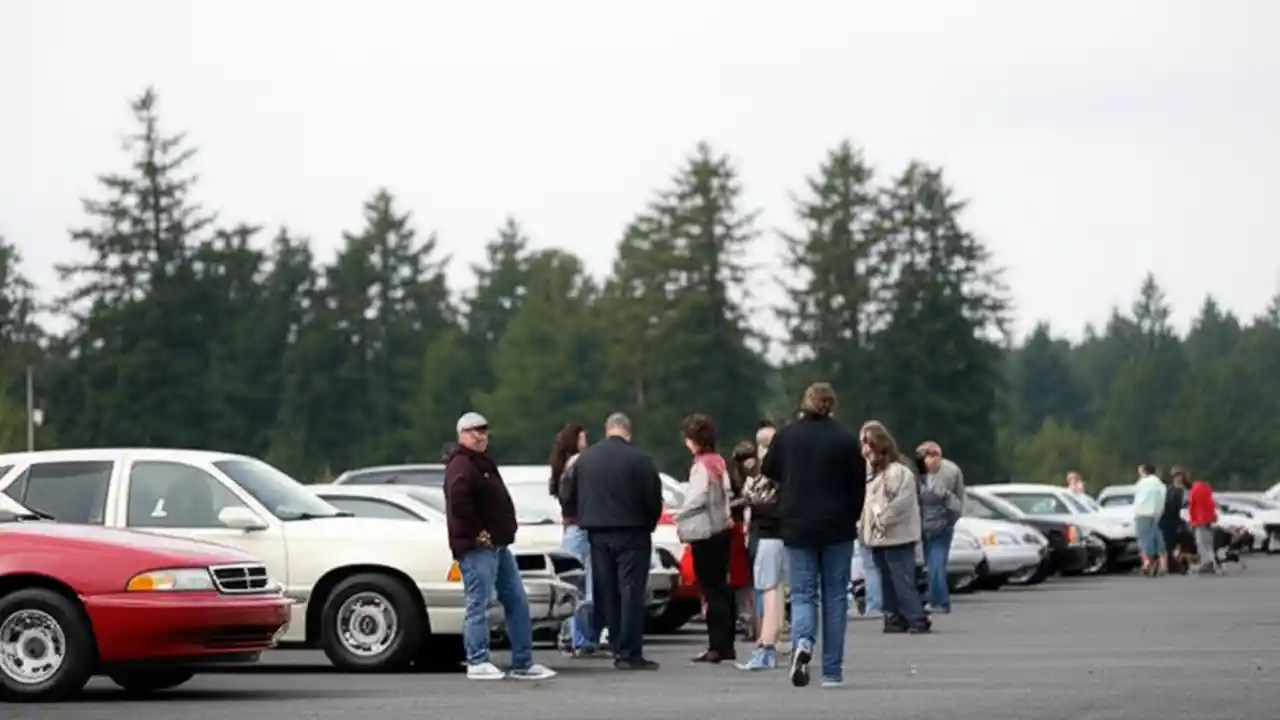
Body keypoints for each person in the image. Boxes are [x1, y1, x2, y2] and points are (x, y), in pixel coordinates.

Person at [760, 382, 865, 689]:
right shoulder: (846, 440)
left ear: (804, 403)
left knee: (804, 593)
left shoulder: (787, 437)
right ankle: (832, 671)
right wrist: (852, 517)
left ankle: (803, 642)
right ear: (832, 405)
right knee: (834, 597)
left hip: (796, 524)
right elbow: (858, 486)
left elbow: (770, 472)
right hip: (837, 527)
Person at [444, 411, 557, 680]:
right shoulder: (461, 465)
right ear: (461, 434)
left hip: (499, 546)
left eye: (483, 431)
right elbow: (458, 502)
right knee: (478, 603)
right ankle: (477, 660)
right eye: (473, 431)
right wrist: (477, 533)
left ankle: (523, 662)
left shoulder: (483, 464)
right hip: (476, 548)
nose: (480, 436)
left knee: (517, 600)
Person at [574, 412, 664, 671]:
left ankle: (615, 643)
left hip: (597, 532)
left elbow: (569, 490)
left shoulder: (586, 459)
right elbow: (652, 497)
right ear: (628, 431)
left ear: (607, 430)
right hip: (632, 531)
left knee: (608, 591)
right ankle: (630, 651)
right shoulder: (640, 459)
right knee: (631, 591)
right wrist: (649, 523)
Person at [673, 414, 736, 663]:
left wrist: (681, 514)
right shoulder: (719, 461)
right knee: (722, 587)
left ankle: (716, 645)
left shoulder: (701, 466)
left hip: (705, 532)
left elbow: (697, 497)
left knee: (710, 590)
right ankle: (726, 643)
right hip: (722, 530)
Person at [862, 421, 930, 635]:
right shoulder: (872, 474)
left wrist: (882, 519)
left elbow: (900, 502)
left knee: (902, 580)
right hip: (878, 537)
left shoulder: (898, 472)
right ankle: (893, 617)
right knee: (886, 581)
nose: (864, 449)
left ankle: (916, 617)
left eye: (867, 443)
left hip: (897, 536)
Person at [549, 423, 602, 657]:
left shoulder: (563, 466)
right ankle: (580, 638)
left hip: (571, 528)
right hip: (582, 527)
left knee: (571, 584)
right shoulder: (580, 464)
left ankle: (568, 636)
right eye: (582, 438)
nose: (586, 442)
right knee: (583, 587)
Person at [738, 436, 787, 671]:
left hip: (768, 535)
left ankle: (766, 645)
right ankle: (777, 639)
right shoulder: (793, 475)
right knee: (779, 590)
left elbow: (751, 496)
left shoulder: (767, 479)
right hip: (787, 536)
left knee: (768, 590)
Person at [916, 441, 964, 614]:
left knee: (934, 563)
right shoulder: (952, 469)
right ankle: (935, 598)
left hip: (935, 524)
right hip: (939, 524)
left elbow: (954, 500)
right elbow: (958, 499)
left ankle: (939, 600)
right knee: (936, 564)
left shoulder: (942, 475)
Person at [1133, 463, 1168, 577]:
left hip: (1142, 512)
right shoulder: (1159, 484)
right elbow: (1162, 499)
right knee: (1156, 537)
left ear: (1144, 472)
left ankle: (1147, 562)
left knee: (1143, 538)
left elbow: (1137, 498)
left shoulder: (1142, 483)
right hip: (1155, 513)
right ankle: (1163, 562)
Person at [1160, 467, 1190, 574]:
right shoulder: (1168, 490)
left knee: (1185, 541)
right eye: (1176, 476)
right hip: (1170, 519)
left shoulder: (1186, 490)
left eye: (1180, 476)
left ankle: (1180, 563)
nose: (1178, 478)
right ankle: (1171, 564)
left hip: (1184, 519)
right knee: (1168, 543)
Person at [1187, 477, 1219, 574]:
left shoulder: (1194, 491)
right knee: (1208, 542)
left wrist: (1192, 521)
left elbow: (1192, 506)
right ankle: (1212, 561)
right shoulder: (1207, 491)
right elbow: (1211, 505)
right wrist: (1213, 516)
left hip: (1199, 520)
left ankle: (1206, 562)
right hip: (1207, 519)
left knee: (1201, 542)